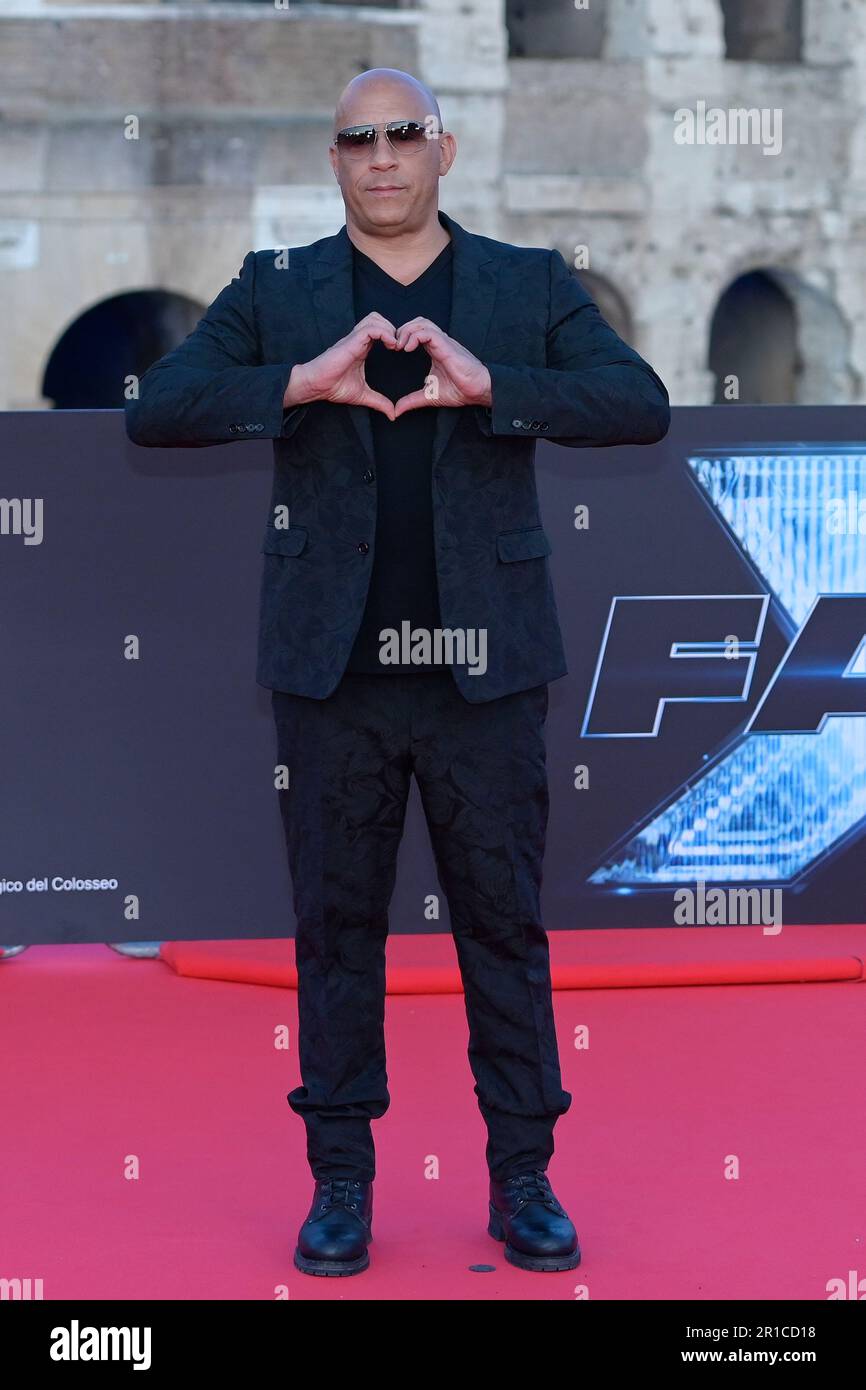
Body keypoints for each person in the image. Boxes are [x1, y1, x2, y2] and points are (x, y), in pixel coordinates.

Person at [126, 66, 670, 1277]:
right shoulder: (281, 291)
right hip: (333, 675)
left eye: (402, 134)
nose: (380, 156)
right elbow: (156, 408)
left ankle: (522, 1178)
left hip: (486, 672)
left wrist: (497, 388)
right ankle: (340, 1185)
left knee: (502, 929)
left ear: (445, 149)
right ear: (335, 161)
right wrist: (296, 382)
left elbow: (638, 403)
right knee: (335, 931)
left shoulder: (524, 288)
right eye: (356, 139)